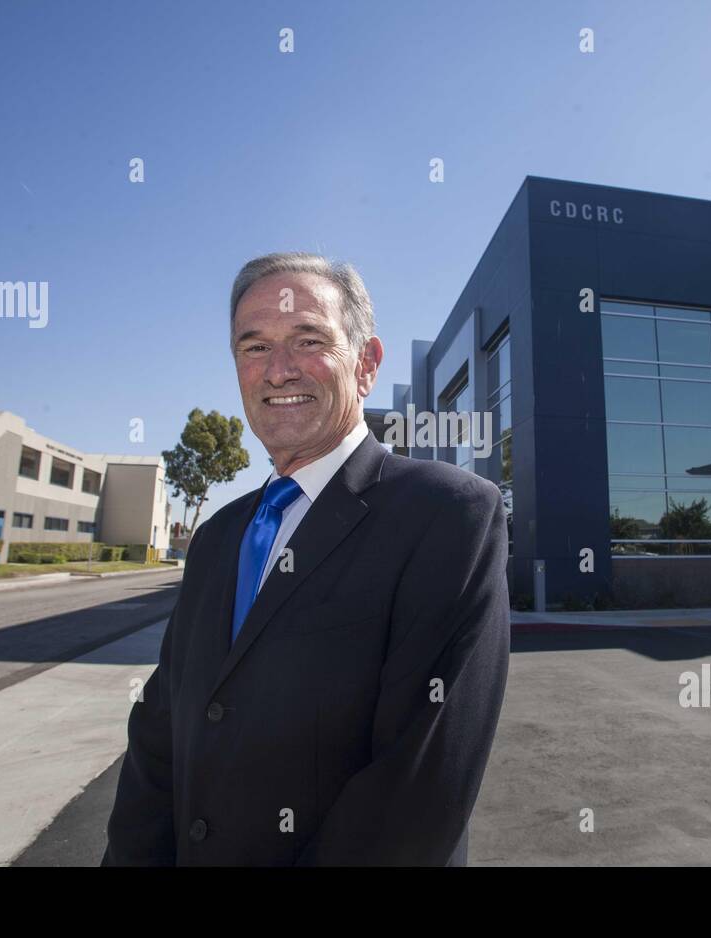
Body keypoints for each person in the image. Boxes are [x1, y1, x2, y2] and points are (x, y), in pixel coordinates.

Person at [101, 252, 511, 865]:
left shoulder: (448, 515)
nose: (278, 370)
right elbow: (161, 735)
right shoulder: (216, 538)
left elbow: (417, 788)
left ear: (366, 364)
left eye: (308, 339)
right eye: (254, 346)